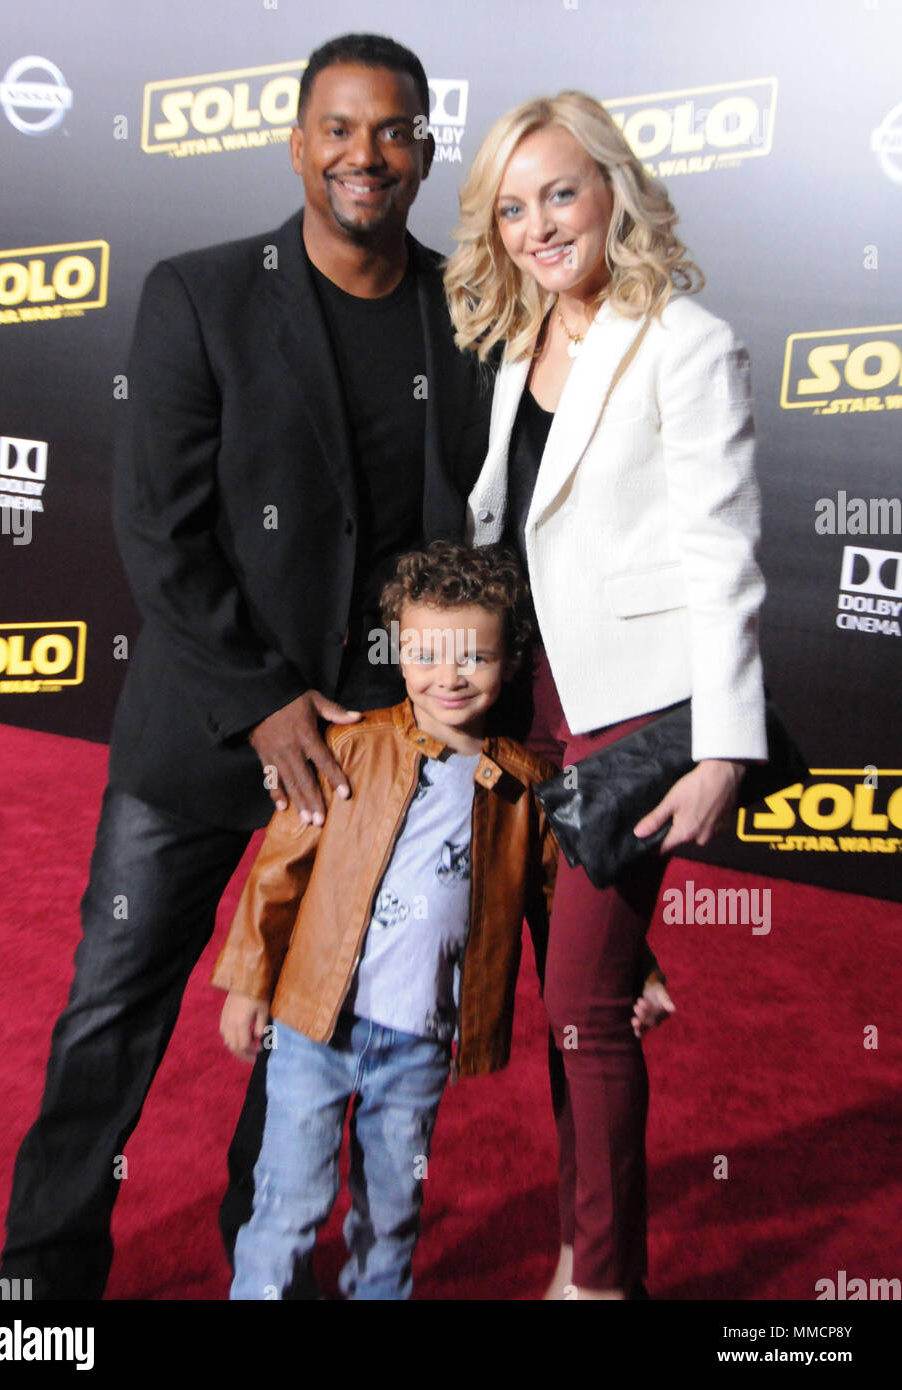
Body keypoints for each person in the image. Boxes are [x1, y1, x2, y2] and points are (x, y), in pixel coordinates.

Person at [0, 33, 495, 1300]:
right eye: (338, 128)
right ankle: (43, 1284)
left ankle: (255, 1265)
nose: (363, 154)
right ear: (296, 143)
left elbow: (462, 540)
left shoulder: (464, 312)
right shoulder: (203, 291)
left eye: (390, 131)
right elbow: (156, 530)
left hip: (365, 758)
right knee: (112, 1014)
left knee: (304, 1027)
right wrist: (262, 698)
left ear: (424, 151)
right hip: (203, 734)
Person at [444, 91, 768, 1300]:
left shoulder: (684, 341)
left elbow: (722, 554)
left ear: (612, 192)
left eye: (559, 193)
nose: (537, 226)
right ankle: (580, 1251)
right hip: (527, 715)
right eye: (512, 207)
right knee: (571, 1007)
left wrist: (723, 751)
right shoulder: (516, 348)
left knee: (583, 1009)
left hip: (629, 720)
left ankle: (602, 1282)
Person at [211, 541, 666, 1300]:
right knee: (288, 1202)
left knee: (391, 1211)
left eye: (474, 658)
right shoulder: (348, 749)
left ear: (513, 660)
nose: (448, 677)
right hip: (310, 1027)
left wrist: (633, 971)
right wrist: (248, 984)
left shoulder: (528, 789)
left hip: (419, 1043)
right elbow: (276, 875)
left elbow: (564, 897)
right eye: (428, 654)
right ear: (400, 650)